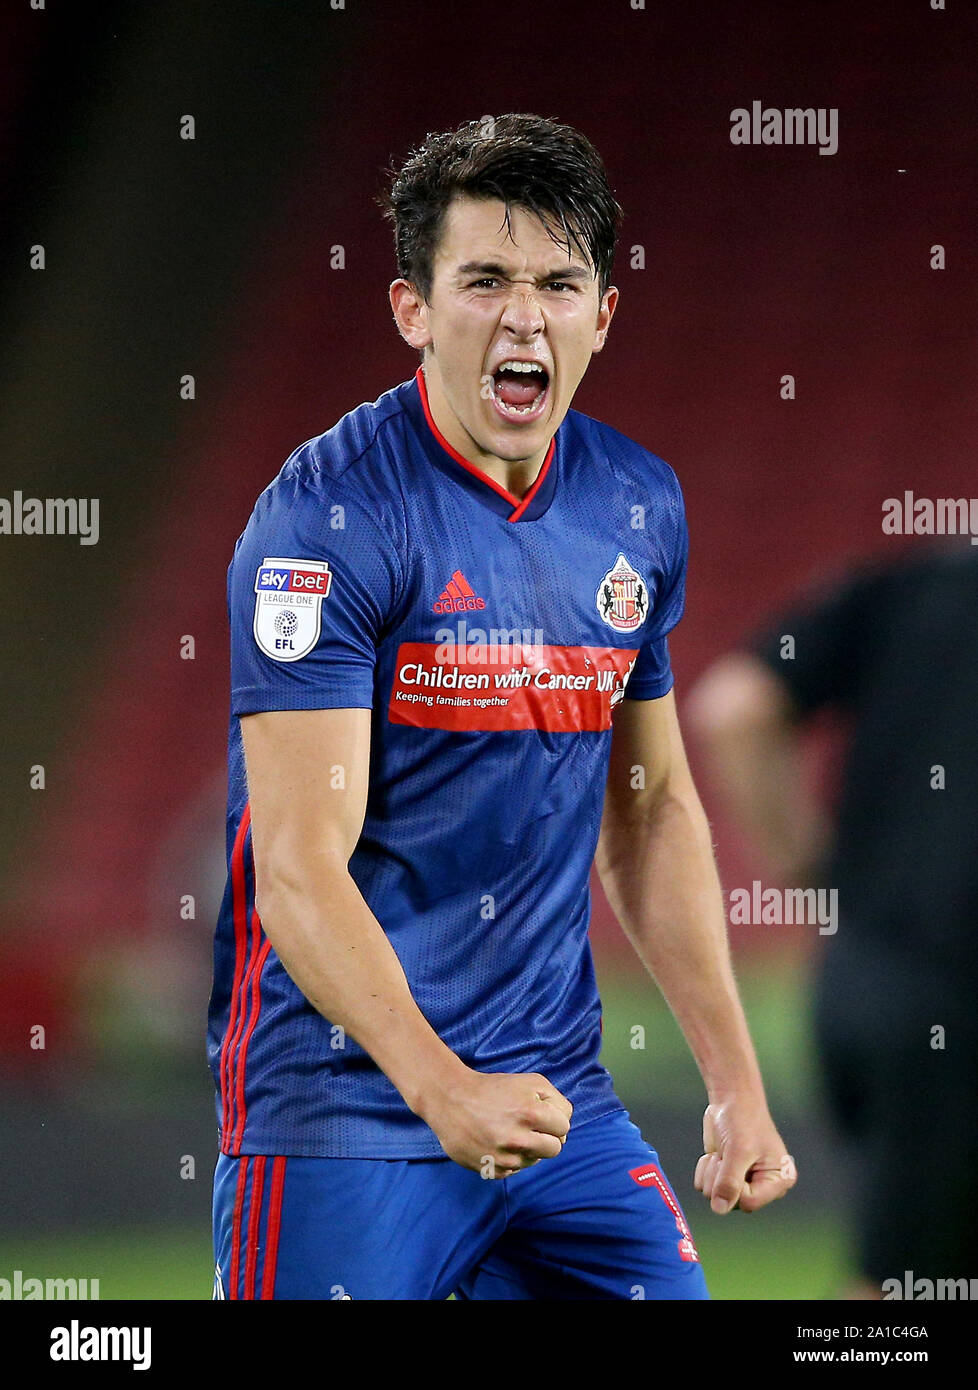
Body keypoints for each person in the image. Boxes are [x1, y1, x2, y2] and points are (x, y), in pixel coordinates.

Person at [207, 113, 795, 1301]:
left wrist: (735, 1085)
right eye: (484, 279)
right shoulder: (326, 525)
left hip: (549, 1101)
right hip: (343, 1108)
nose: (525, 315)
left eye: (558, 283)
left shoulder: (637, 505)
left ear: (602, 316)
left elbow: (653, 811)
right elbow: (299, 871)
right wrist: (439, 1086)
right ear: (412, 310)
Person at [686, 540, 978, 1298]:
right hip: (950, 999)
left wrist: (811, 873)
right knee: (900, 1290)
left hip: (863, 976)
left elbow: (735, 706)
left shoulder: (910, 583)